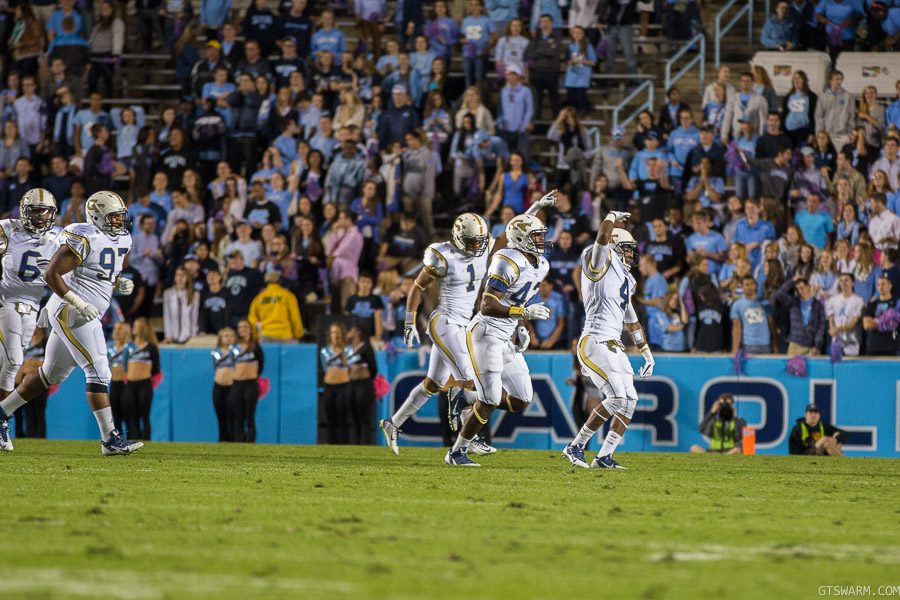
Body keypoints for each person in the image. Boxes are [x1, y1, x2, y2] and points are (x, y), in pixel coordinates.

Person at [0, 191, 142, 455]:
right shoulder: (84, 236)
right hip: (73, 311)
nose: (119, 222)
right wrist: (77, 302)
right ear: (97, 217)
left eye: (121, 216)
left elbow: (105, 270)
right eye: (113, 217)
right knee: (99, 370)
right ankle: (109, 439)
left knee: (51, 374)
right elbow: (51, 274)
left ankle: (0, 413)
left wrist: (117, 282)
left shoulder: (123, 238)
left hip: (85, 311)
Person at [445, 213, 555, 466]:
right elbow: (487, 305)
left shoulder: (541, 265)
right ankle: (456, 452)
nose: (541, 241)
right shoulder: (506, 261)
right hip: (485, 333)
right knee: (491, 399)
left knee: (521, 399)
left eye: (541, 235)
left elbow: (518, 299)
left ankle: (465, 398)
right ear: (521, 239)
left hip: (505, 335)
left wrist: (520, 328)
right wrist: (523, 313)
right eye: (536, 236)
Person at [561, 211, 654, 470]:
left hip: (615, 346)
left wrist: (647, 353)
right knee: (614, 398)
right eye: (626, 249)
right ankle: (575, 446)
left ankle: (604, 457)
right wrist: (611, 216)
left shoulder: (627, 279)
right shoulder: (600, 259)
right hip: (594, 341)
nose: (630, 255)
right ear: (614, 246)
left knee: (630, 400)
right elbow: (602, 236)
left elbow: (632, 320)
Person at [0, 190, 61, 406]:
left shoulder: (59, 236)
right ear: (25, 211)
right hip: (6, 301)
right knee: (13, 361)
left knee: (10, 365)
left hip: (32, 306)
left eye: (45, 212)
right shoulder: (7, 229)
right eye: (35, 211)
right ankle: (1, 423)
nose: (40, 216)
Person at [123, 318, 159, 441]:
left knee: (144, 414)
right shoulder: (129, 346)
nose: (134, 328)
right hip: (131, 384)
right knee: (132, 415)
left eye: (137, 326)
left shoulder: (151, 347)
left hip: (144, 384)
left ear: (143, 329)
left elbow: (156, 368)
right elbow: (124, 365)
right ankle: (134, 439)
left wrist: (144, 373)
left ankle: (146, 439)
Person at [248, 269, 304, 343]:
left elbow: (252, 320)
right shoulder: (288, 296)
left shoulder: (259, 298)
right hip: (285, 334)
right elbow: (295, 317)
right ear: (279, 280)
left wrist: (256, 336)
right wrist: (298, 334)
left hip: (266, 334)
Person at [230, 318, 262, 443]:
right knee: (238, 416)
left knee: (250, 416)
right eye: (240, 327)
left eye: (245, 327)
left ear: (250, 329)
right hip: (237, 384)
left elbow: (261, 365)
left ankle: (250, 442)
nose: (242, 330)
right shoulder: (233, 347)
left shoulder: (256, 347)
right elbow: (231, 364)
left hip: (251, 384)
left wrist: (252, 375)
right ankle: (238, 443)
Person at [777, 275, 826, 356]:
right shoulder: (793, 303)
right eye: (797, 289)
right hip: (795, 346)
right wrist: (792, 280)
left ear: (808, 287)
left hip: (811, 348)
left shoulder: (818, 305)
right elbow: (780, 294)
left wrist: (817, 346)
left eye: (802, 288)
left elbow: (821, 327)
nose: (800, 291)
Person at [345, 324, 378, 445]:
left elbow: (373, 368)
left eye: (351, 329)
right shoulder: (348, 349)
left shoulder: (366, 348)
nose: (349, 332)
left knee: (364, 418)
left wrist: (366, 380)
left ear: (358, 332)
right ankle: (354, 445)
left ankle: (366, 445)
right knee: (353, 418)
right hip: (351, 384)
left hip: (363, 385)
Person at [15, 327, 49, 438]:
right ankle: (31, 436)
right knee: (29, 410)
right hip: (26, 376)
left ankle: (40, 437)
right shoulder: (24, 341)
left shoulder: (45, 342)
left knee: (39, 410)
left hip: (40, 377)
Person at [730, 275, 778, 354]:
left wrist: (775, 345)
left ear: (756, 285)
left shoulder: (765, 303)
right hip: (748, 345)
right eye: (747, 284)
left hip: (765, 344)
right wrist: (735, 348)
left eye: (752, 284)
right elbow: (736, 327)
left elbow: (772, 324)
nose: (749, 287)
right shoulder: (737, 305)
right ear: (742, 287)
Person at [826, 272, 865, 356]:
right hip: (836, 344)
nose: (843, 283)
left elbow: (854, 322)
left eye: (846, 280)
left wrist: (838, 329)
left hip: (852, 344)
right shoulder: (832, 300)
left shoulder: (859, 301)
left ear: (853, 283)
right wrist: (832, 329)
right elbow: (831, 319)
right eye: (841, 281)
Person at [211, 327, 236, 442]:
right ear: (221, 338)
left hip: (233, 387)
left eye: (231, 336)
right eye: (226, 336)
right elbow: (217, 366)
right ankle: (222, 440)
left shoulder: (237, 351)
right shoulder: (216, 352)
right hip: (219, 387)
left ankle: (235, 441)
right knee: (221, 417)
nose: (229, 338)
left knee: (234, 416)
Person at [163, 266, 199, 343]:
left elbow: (194, 315)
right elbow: (167, 315)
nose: (180, 278)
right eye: (178, 275)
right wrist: (168, 335)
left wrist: (193, 334)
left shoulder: (194, 294)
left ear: (187, 277)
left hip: (188, 335)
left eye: (183, 275)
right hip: (173, 335)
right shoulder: (168, 293)